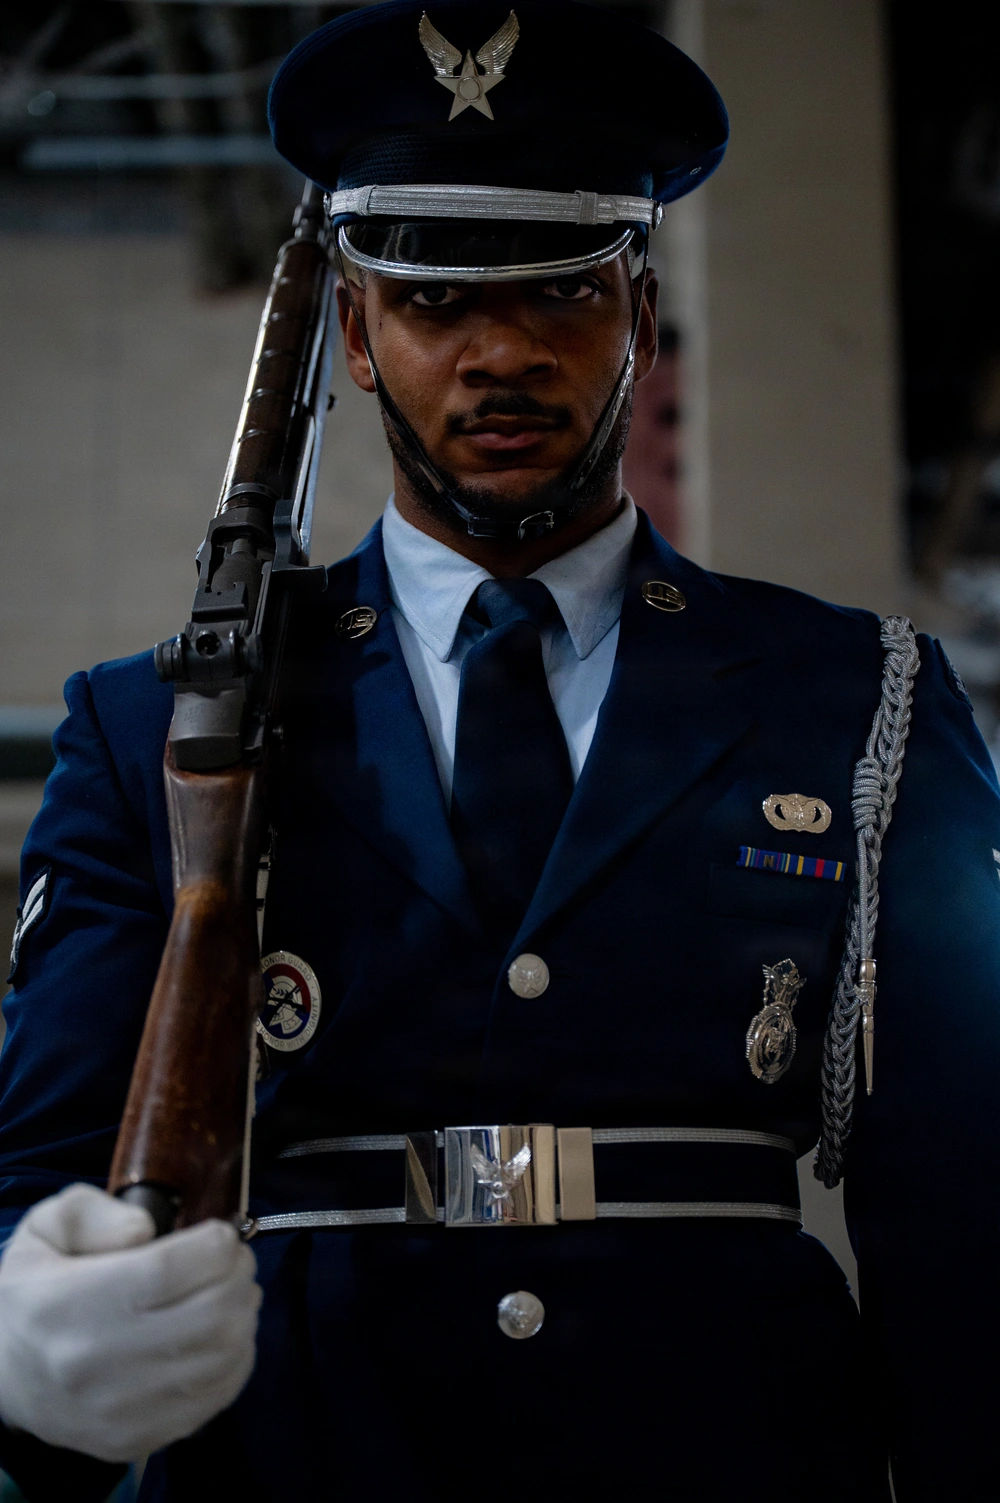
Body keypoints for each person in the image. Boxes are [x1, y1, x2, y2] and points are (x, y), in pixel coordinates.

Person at [0, 3, 996, 1500]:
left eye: (562, 294)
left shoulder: (858, 696)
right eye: (434, 302)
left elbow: (966, 1224)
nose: (503, 352)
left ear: (643, 319)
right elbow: (48, 1168)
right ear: (351, 329)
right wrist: (21, 1331)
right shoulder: (152, 730)